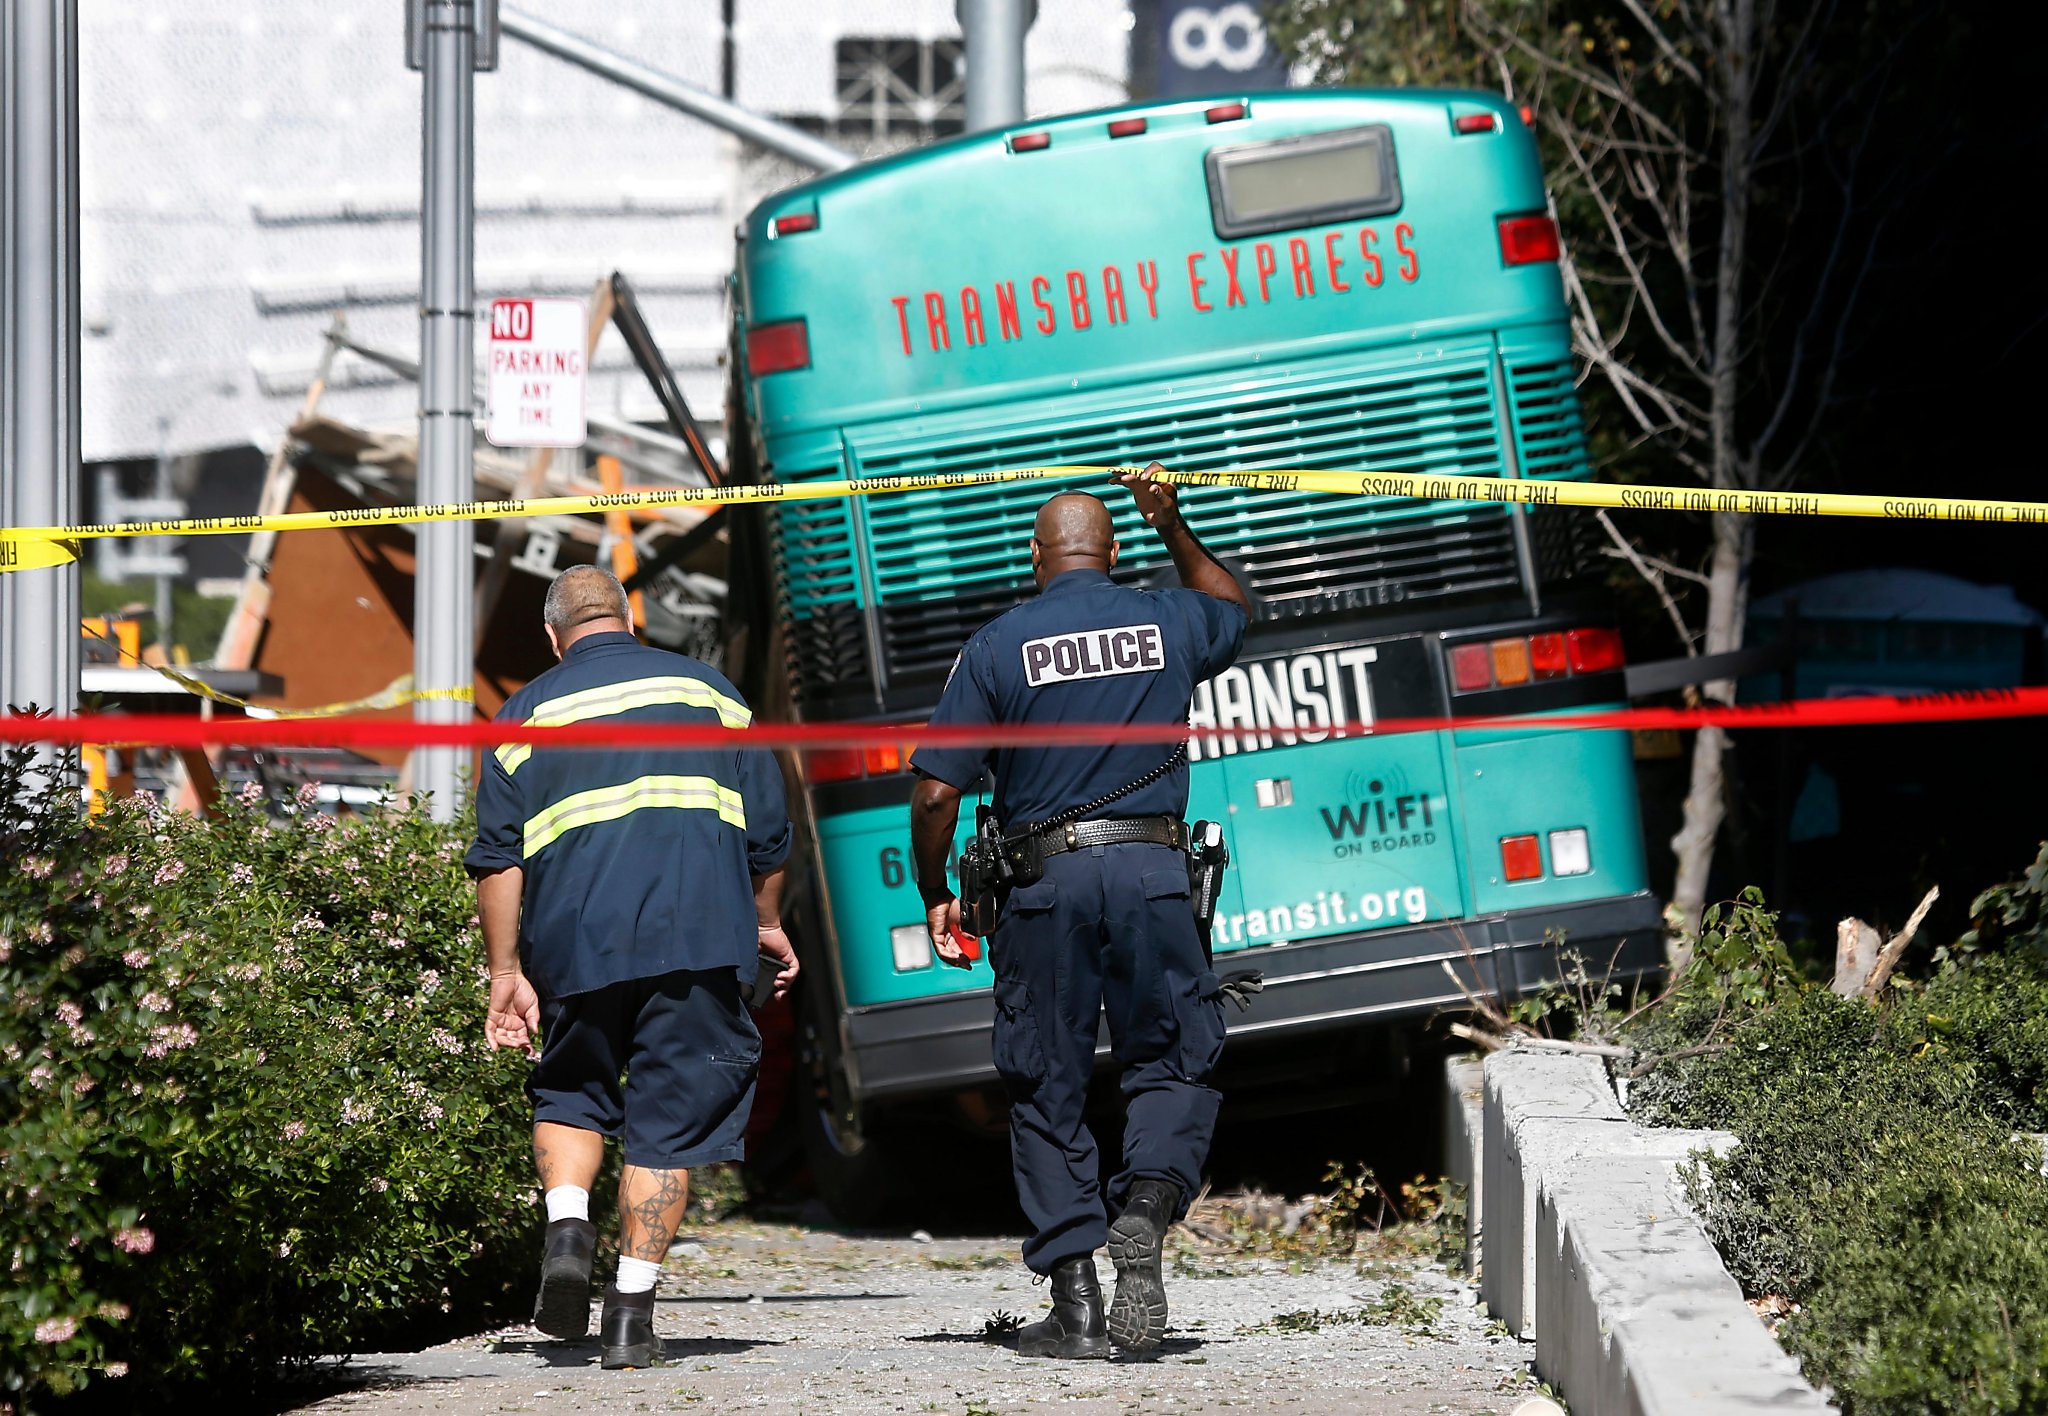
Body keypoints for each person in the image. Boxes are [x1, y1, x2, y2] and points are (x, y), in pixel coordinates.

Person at [907, 465, 1250, 1358]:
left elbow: (938, 793)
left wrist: (936, 891)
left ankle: (1077, 1304)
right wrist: (1174, 523)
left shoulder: (995, 646)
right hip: (1152, 874)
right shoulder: (1169, 618)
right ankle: (1144, 1207)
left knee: (1043, 1081)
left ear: (1034, 555)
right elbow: (1235, 607)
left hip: (1044, 887)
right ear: (1115, 550)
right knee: (1173, 1057)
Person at [466, 565, 796, 1370]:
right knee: (667, 1125)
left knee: (570, 1092)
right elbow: (769, 833)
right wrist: (768, 925)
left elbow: (498, 863)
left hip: (574, 946)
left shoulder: (523, 714)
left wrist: (504, 972)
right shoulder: (711, 694)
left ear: (553, 636)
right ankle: (629, 1318)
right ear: (627, 615)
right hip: (697, 937)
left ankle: (569, 1228)